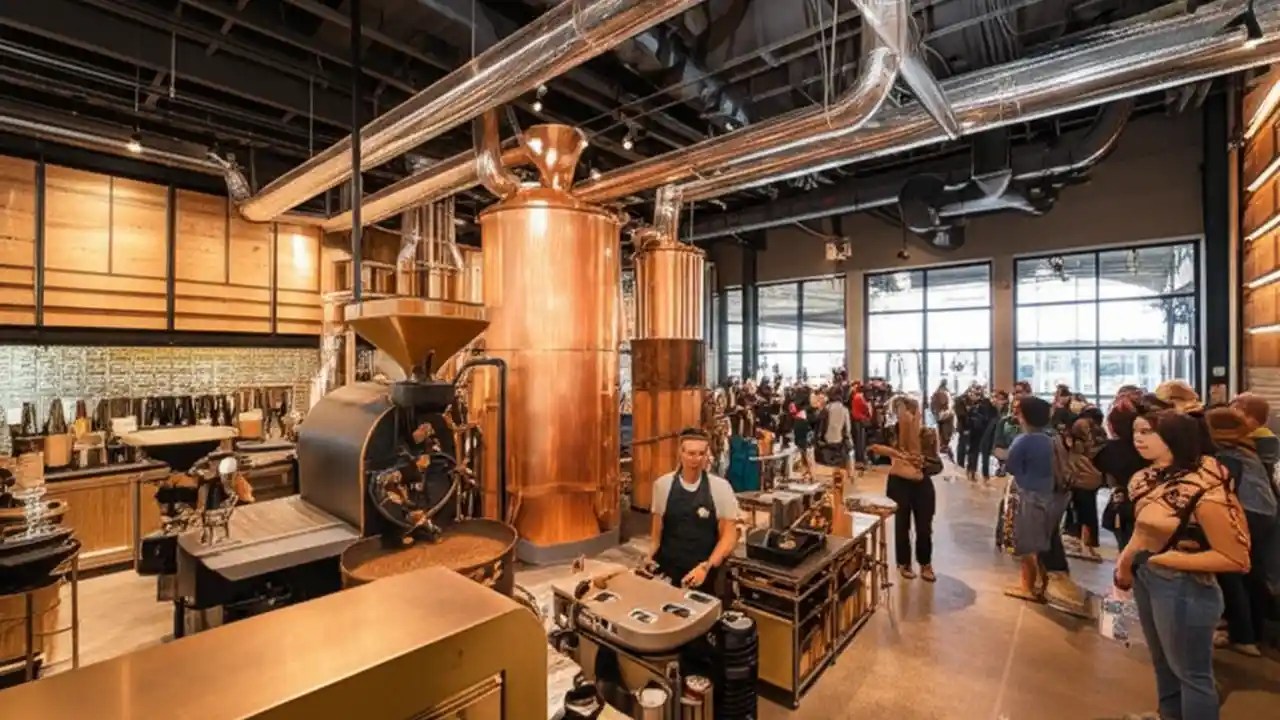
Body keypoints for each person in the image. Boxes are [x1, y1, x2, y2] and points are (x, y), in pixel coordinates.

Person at [1116, 410, 1250, 720]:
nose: (1138, 438)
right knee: (1163, 663)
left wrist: (1168, 559)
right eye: (1136, 431)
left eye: (1148, 432)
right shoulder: (1146, 478)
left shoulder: (1207, 486)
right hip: (1148, 577)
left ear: (1175, 438)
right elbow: (1143, 530)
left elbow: (1236, 558)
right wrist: (1125, 565)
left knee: (1192, 674)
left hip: (1186, 586)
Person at [1205, 406, 1275, 658]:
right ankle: (1255, 632)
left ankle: (1242, 636)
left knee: (1231, 572)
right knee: (1253, 574)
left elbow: (1225, 493)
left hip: (1245, 516)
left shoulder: (1227, 456)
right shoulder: (1249, 450)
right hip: (1266, 515)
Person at [649, 428, 741, 594]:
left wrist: (706, 567)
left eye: (701, 454)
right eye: (691, 453)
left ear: (707, 455)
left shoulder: (720, 488)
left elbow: (729, 537)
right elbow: (656, 535)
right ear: (680, 453)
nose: (696, 459)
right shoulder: (662, 486)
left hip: (703, 576)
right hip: (667, 573)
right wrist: (648, 558)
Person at [869, 396, 943, 582]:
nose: (905, 416)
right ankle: (904, 563)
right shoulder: (890, 432)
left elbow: (937, 465)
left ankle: (925, 563)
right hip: (898, 483)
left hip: (921, 485)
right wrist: (890, 453)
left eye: (909, 411)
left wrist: (923, 462)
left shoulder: (927, 434)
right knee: (901, 525)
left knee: (924, 526)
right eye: (900, 411)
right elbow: (875, 452)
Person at [1004, 396, 1058, 602]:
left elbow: (1011, 465)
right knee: (1039, 541)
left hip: (1027, 493)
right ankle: (1042, 583)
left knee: (1027, 543)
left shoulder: (1024, 440)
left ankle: (1028, 586)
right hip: (1047, 493)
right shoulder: (1049, 438)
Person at [966, 387, 998, 484]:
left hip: (981, 432)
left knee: (979, 453)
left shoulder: (983, 405)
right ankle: (977, 472)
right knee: (977, 452)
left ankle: (977, 472)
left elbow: (988, 419)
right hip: (977, 432)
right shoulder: (975, 406)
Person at [930, 380, 955, 459]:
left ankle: (943, 449)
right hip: (946, 419)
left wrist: (936, 414)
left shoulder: (936, 393)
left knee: (942, 436)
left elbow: (933, 407)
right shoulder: (944, 393)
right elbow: (949, 407)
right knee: (945, 437)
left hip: (940, 418)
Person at [850, 381, 872, 466]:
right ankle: (860, 459)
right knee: (860, 441)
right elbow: (866, 409)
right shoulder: (860, 398)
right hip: (859, 421)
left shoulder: (856, 396)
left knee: (859, 440)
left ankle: (860, 458)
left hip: (857, 420)